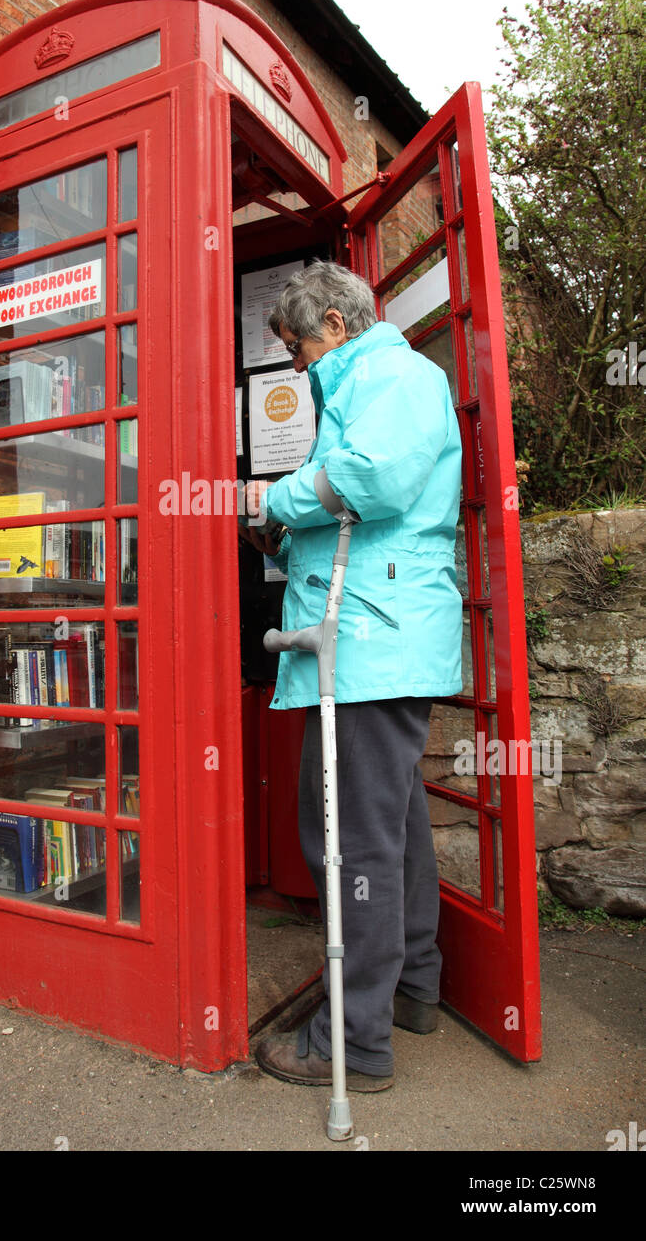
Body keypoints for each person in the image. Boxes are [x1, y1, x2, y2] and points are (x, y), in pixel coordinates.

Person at [243, 259, 462, 1091]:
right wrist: (282, 531)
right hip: (375, 636)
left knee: (347, 843)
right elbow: (352, 501)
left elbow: (374, 479)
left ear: (335, 321)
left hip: (371, 642)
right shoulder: (374, 382)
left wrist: (273, 502)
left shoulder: (395, 375)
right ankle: (412, 988)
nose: (297, 366)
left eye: (298, 347)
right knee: (393, 833)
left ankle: (354, 1046)